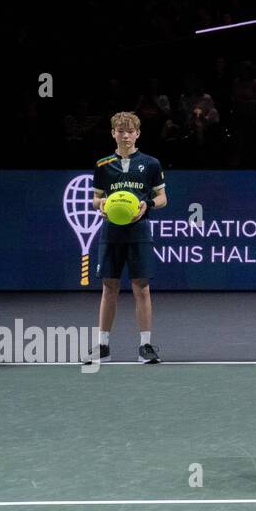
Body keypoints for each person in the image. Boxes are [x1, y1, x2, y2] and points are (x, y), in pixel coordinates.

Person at [86, 112, 167, 364]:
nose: (125, 135)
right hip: (111, 231)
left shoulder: (151, 163)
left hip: (139, 231)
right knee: (109, 287)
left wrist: (147, 204)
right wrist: (101, 205)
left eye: (130, 131)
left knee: (141, 288)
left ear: (137, 134)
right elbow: (95, 200)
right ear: (113, 133)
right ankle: (103, 346)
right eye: (120, 131)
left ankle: (145, 346)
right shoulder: (102, 165)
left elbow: (163, 198)